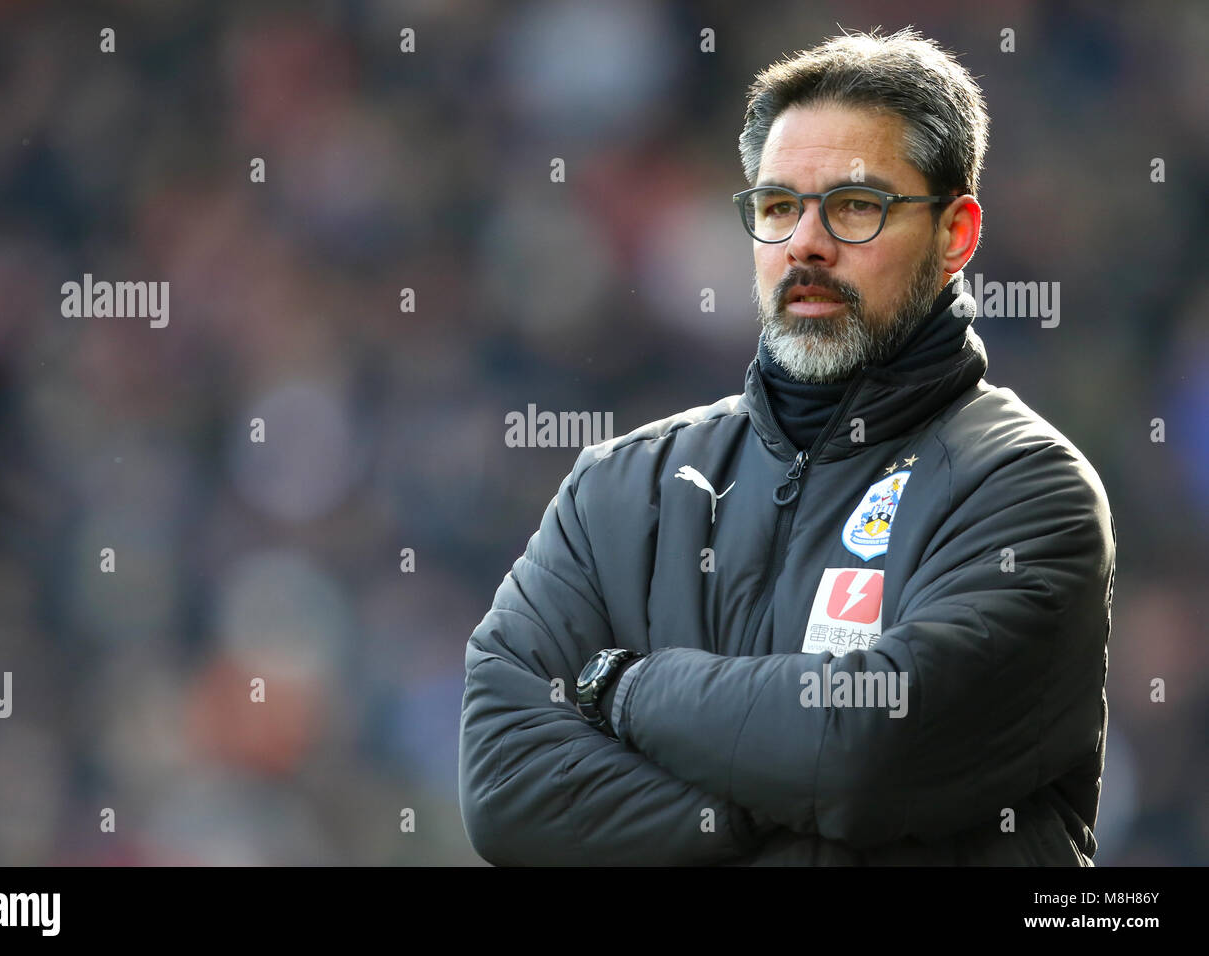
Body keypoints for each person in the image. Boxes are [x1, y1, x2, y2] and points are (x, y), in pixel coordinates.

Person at [458, 27, 1115, 865]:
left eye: (853, 205)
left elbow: (862, 755)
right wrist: (767, 801)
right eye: (776, 207)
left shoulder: (1027, 487)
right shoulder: (619, 490)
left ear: (957, 234)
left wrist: (622, 688)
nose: (805, 242)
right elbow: (505, 787)